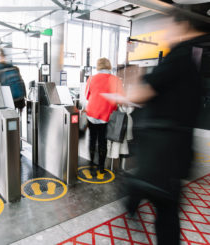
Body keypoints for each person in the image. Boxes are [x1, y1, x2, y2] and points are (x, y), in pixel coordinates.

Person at [122, 7, 210, 245]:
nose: (166, 32)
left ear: (182, 26)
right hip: (178, 151)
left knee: (163, 206)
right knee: (166, 206)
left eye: (169, 26)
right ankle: (131, 202)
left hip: (162, 151)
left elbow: (141, 94)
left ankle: (130, 202)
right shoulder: (193, 62)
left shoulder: (177, 57)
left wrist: (130, 81)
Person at [85, 58, 123, 174]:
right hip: (106, 116)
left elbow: (87, 96)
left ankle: (91, 166)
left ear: (98, 66)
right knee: (102, 142)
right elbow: (121, 98)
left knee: (92, 140)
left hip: (91, 113)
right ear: (109, 66)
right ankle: (101, 168)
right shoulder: (116, 80)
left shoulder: (91, 79)